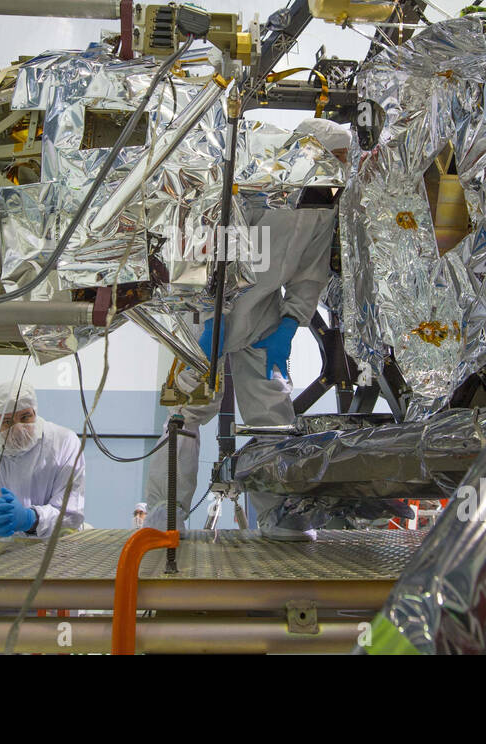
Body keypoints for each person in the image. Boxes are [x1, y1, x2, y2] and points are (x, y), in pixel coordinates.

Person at [145, 119, 345, 540]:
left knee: (272, 413)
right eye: (336, 159)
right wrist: (212, 316)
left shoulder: (324, 205)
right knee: (187, 410)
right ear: (309, 150)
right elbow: (216, 243)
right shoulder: (259, 180)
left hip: (261, 317)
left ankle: (279, 514)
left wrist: (291, 324)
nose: (340, 171)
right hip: (206, 312)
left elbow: (309, 275)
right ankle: (165, 516)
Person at [0, 376, 85, 538]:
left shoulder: (63, 442)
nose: (18, 429)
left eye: (25, 417)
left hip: (53, 548)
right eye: (7, 421)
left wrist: (31, 518)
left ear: (35, 412)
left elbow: (70, 514)